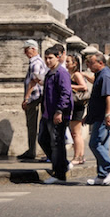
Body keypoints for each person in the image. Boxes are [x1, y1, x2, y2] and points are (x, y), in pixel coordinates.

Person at [84, 53, 110, 186]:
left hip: (103, 117)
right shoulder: (101, 75)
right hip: (100, 115)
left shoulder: (105, 75)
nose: (88, 66)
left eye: (91, 63)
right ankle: (102, 174)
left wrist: (107, 115)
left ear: (100, 63)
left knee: (94, 144)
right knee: (103, 146)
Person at [39, 47, 73, 184]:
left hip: (57, 114)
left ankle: (59, 174)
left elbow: (65, 93)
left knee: (57, 144)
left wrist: (59, 111)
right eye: (46, 58)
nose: (47, 61)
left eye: (50, 58)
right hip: (48, 114)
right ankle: (63, 164)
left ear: (58, 57)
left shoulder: (61, 73)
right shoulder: (50, 73)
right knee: (43, 139)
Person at [19, 39, 46, 160]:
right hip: (38, 96)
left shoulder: (35, 63)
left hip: (34, 97)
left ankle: (32, 151)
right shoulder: (39, 61)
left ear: (33, 49)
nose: (25, 53)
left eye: (27, 50)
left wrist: (26, 98)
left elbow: (34, 80)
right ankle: (34, 150)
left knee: (31, 125)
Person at [66, 53, 88, 165]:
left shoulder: (76, 75)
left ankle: (77, 157)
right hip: (74, 105)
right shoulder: (71, 74)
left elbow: (84, 87)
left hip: (77, 105)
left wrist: (70, 86)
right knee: (75, 132)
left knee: (76, 133)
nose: (66, 63)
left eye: (68, 61)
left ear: (74, 64)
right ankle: (81, 156)